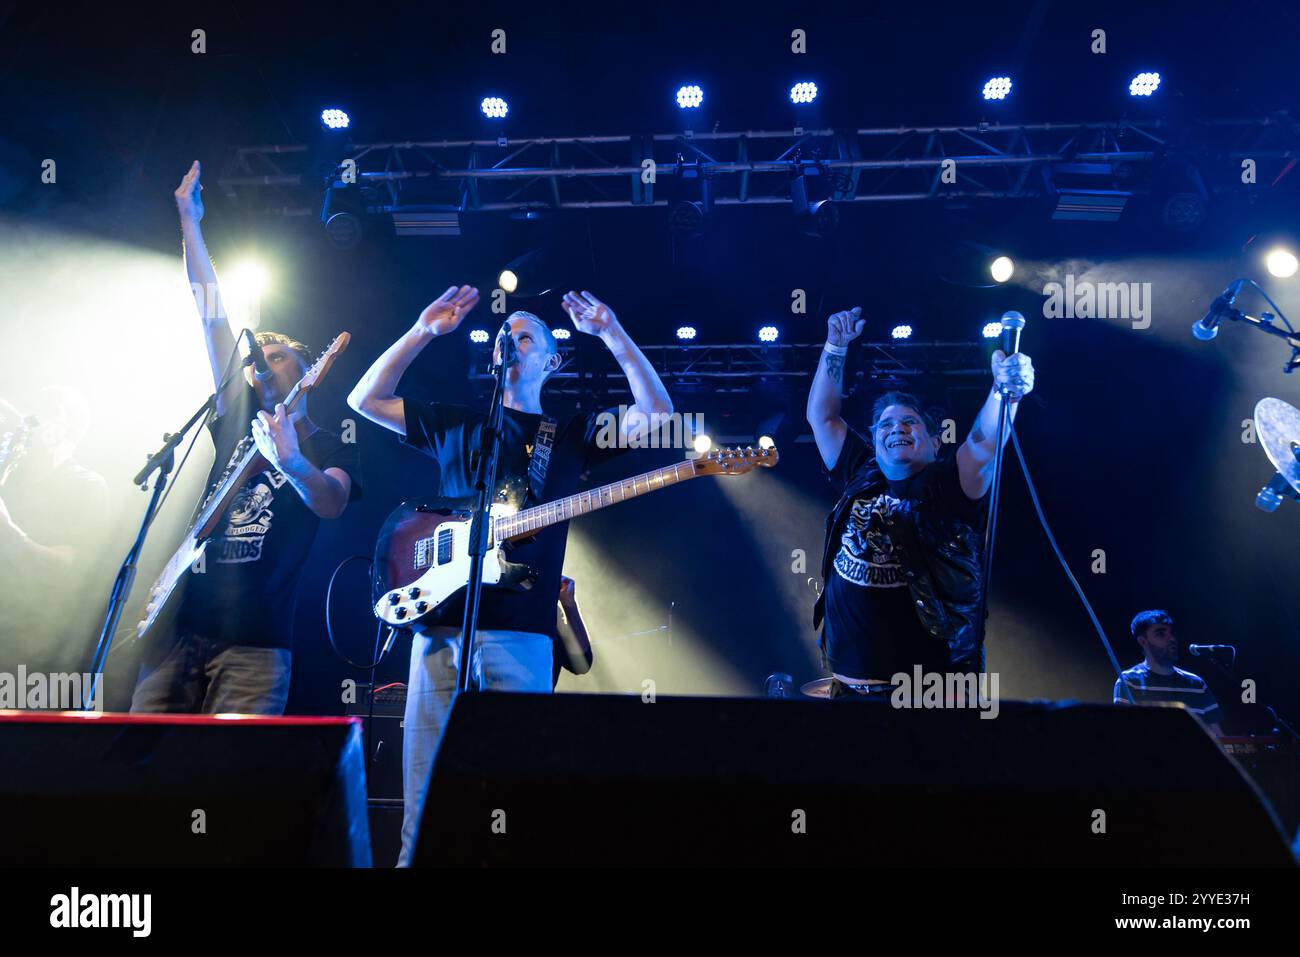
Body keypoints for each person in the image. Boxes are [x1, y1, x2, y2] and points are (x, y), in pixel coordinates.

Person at [347, 285, 672, 865]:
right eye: (506, 338)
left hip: (521, 633)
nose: (512, 343)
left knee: (510, 800)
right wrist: (423, 331)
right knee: (421, 807)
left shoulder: (571, 435)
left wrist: (613, 334)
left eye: (527, 337)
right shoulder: (455, 425)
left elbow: (658, 418)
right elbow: (364, 398)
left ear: (551, 359)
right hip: (439, 631)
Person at [128, 161, 361, 716]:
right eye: (261, 357)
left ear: (311, 372)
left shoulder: (329, 444)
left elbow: (331, 501)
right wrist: (189, 221)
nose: (264, 363)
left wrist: (292, 462)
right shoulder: (236, 419)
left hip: (256, 648)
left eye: (280, 357)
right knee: (137, 775)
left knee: (231, 782)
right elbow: (211, 317)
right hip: (177, 633)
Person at [805, 306, 1035, 697]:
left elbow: (983, 441)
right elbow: (823, 417)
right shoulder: (861, 472)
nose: (897, 428)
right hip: (845, 690)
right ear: (875, 441)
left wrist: (1004, 391)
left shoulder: (949, 484)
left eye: (909, 422)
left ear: (934, 441)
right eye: (886, 425)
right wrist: (836, 346)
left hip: (926, 695)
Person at [0, 387, 110, 674]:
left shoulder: (87, 486)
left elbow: (72, 565)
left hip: (34, 647)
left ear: (64, 429)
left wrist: (11, 535)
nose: (31, 420)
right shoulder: (11, 475)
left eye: (47, 412)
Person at [1113, 609, 1224, 735]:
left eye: (1172, 633)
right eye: (1161, 633)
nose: (1171, 639)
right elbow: (1121, 732)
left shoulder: (1196, 684)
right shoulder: (1129, 681)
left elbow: (1218, 737)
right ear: (1143, 641)